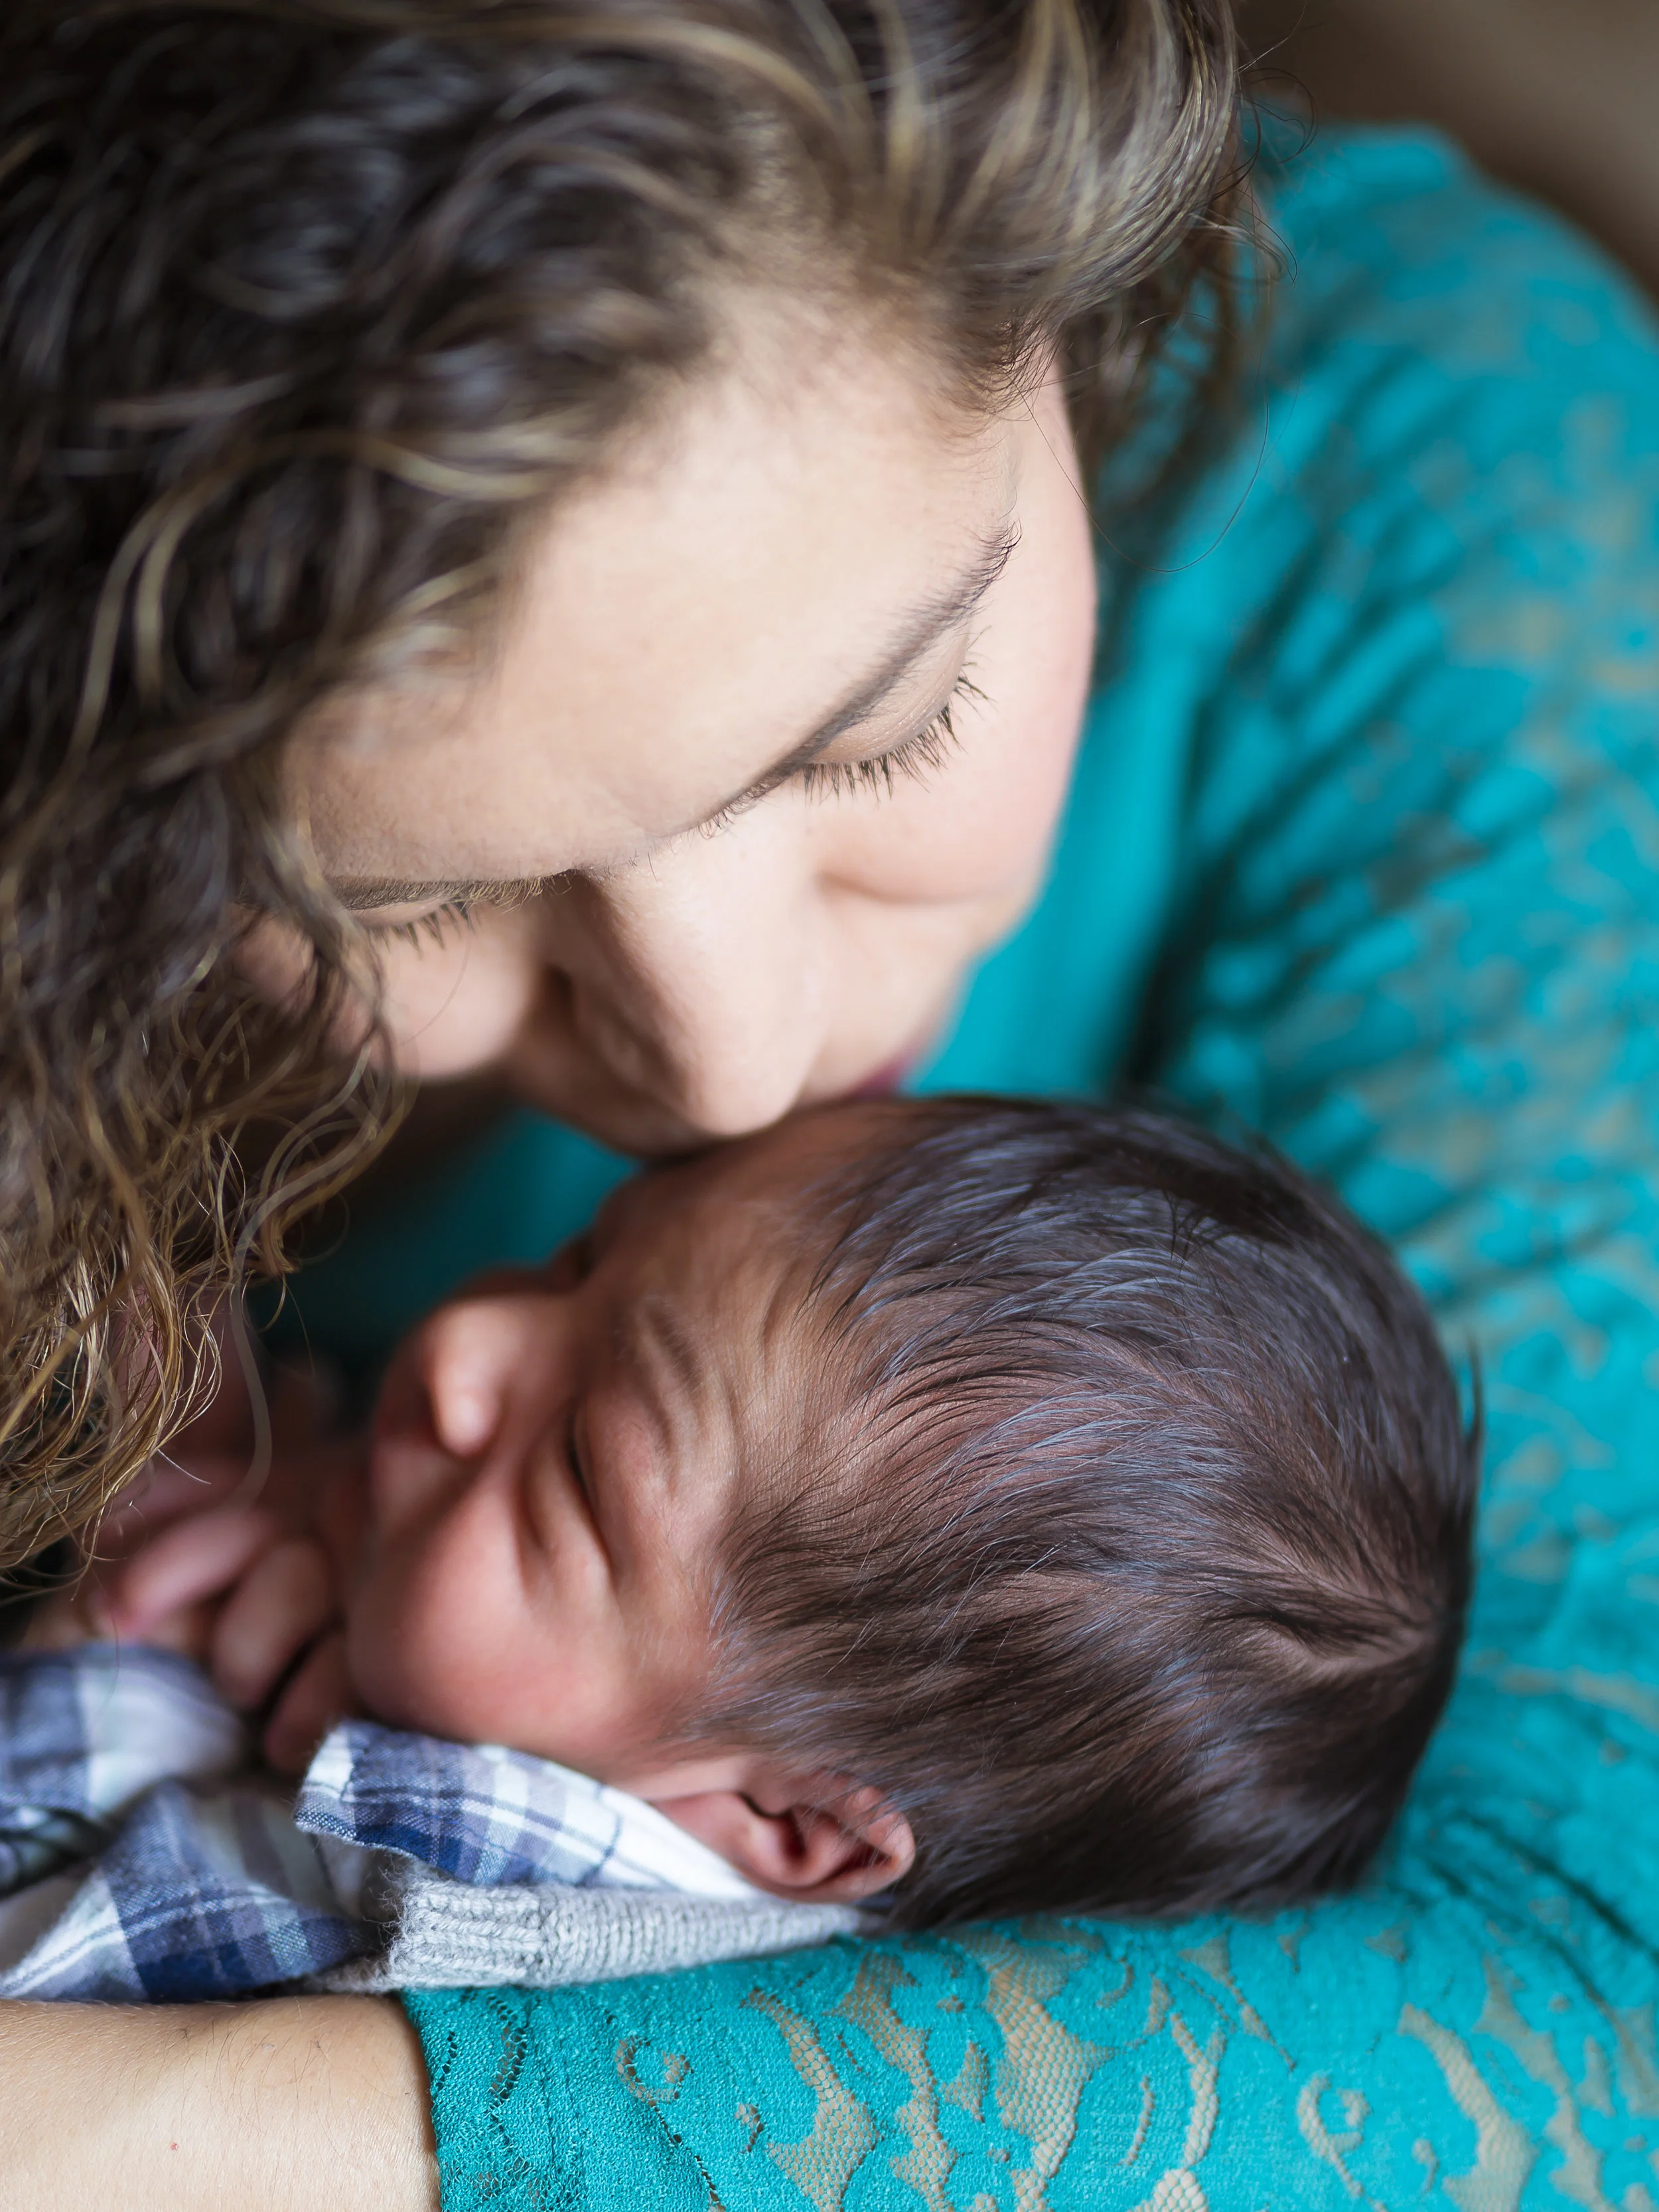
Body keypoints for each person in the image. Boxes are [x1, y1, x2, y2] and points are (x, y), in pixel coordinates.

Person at [3, 0, 1659, 2202]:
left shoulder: (1427, 484)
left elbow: (1584, 2005)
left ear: (1073, 320)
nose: (729, 1058)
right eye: (411, 894)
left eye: (890, 723)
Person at [1, 1096, 1474, 1998]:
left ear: (787, 1828)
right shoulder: (556, 1695)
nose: (464, 1346)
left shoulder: (474, 1929)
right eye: (584, 1257)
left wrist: (116, 1662)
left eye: (577, 1468)